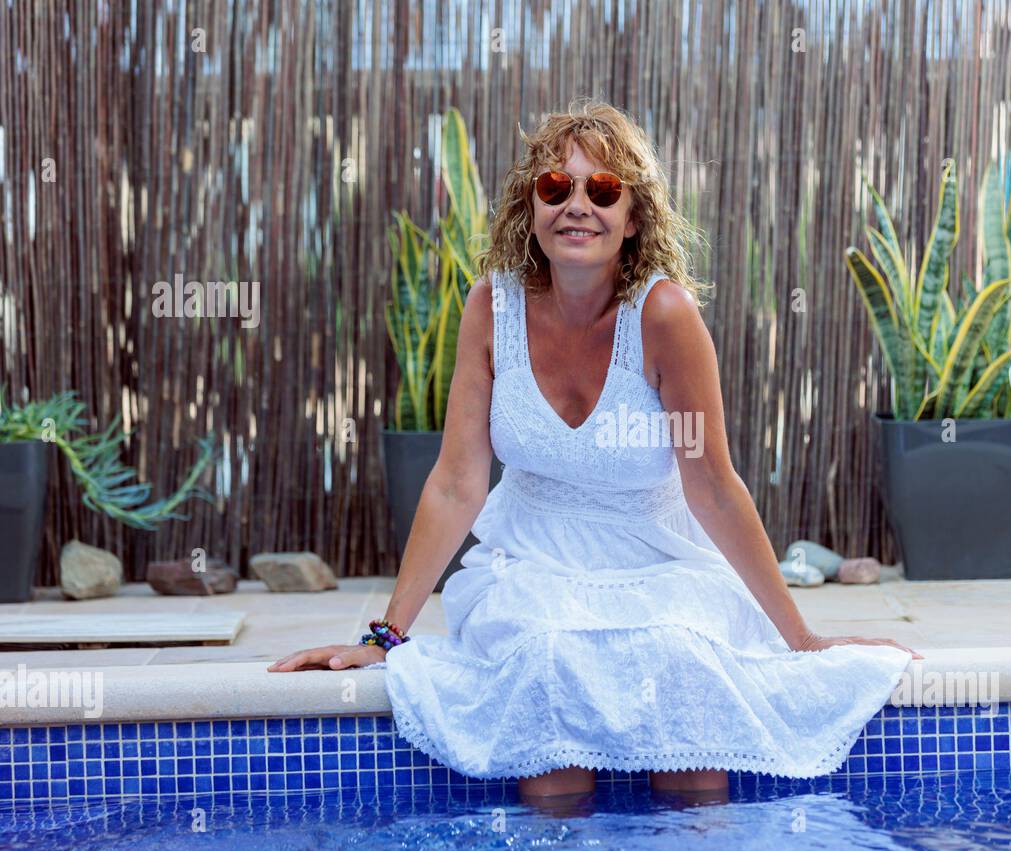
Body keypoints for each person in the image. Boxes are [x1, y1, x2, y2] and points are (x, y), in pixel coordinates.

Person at [270, 98, 922, 800]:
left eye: (603, 190)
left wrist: (802, 638)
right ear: (531, 206)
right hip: (534, 563)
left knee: (688, 716)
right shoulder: (493, 306)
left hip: (658, 560)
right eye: (556, 187)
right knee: (548, 703)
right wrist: (385, 637)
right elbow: (457, 483)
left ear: (633, 216)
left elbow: (713, 488)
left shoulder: (665, 316)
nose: (577, 205)